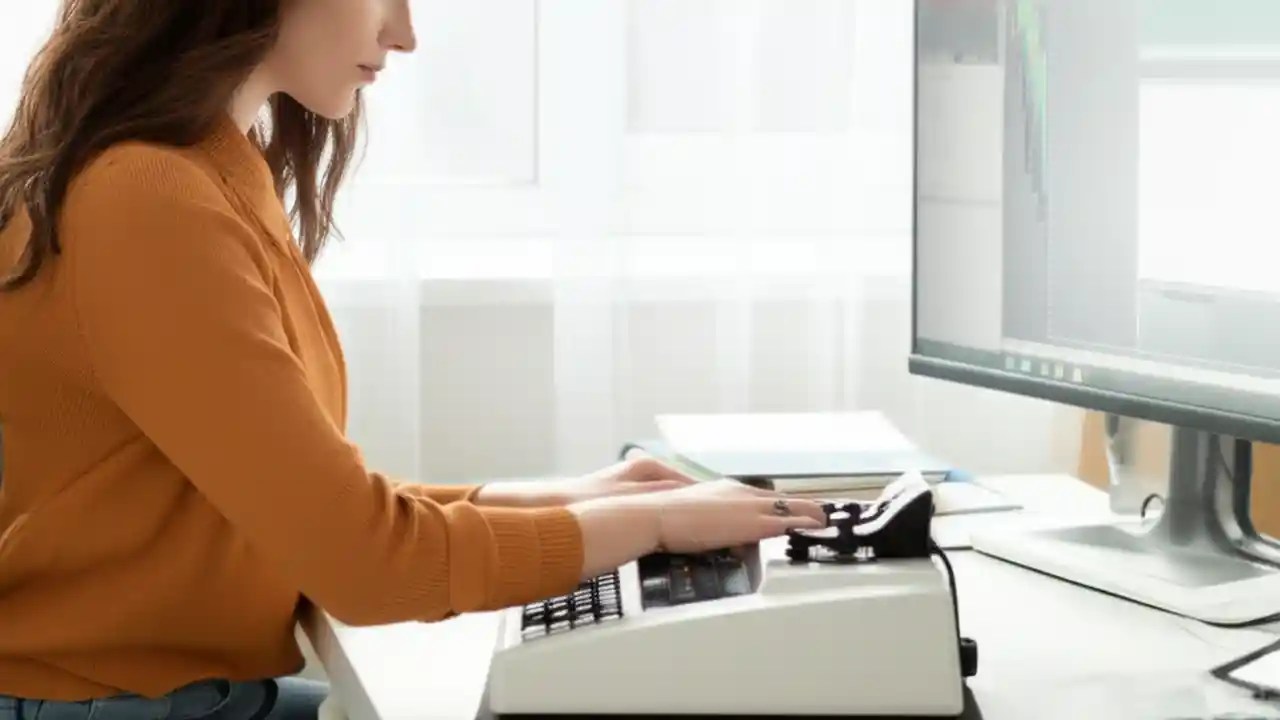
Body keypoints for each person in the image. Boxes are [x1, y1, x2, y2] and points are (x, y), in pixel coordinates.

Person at [0, 2, 828, 719]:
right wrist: (648, 527)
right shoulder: (147, 199)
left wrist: (579, 499)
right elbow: (363, 561)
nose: (404, 34)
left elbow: (317, 512)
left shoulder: (201, 169)